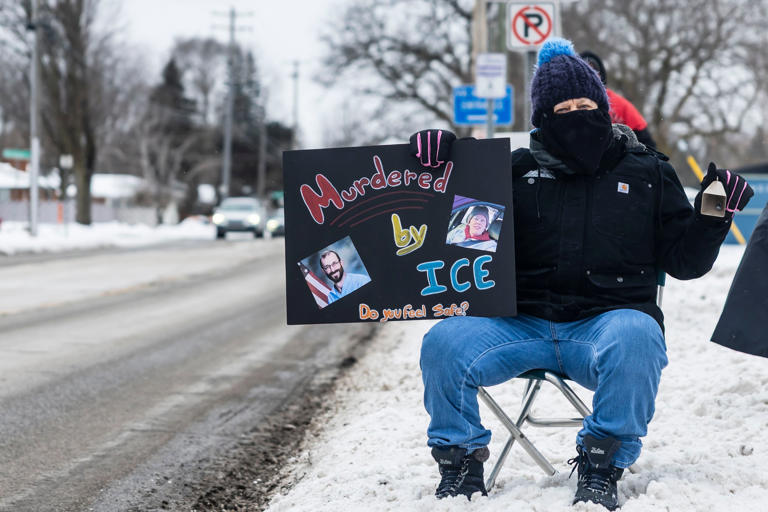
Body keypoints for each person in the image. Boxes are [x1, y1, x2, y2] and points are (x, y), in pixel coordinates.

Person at [410, 38, 753, 510]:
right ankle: (461, 460)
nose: (575, 114)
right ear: (541, 117)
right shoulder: (511, 172)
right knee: (443, 343)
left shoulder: (649, 171)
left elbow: (685, 262)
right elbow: (460, 240)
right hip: (517, 323)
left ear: (604, 107)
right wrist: (444, 165)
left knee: (639, 334)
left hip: (605, 325)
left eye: (585, 104)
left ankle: (601, 461)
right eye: (561, 107)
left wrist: (714, 215)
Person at [579, 50, 657, 149]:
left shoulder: (619, 104)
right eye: (585, 72)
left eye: (594, 72)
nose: (589, 77)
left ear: (601, 77)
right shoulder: (568, 103)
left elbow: (646, 141)